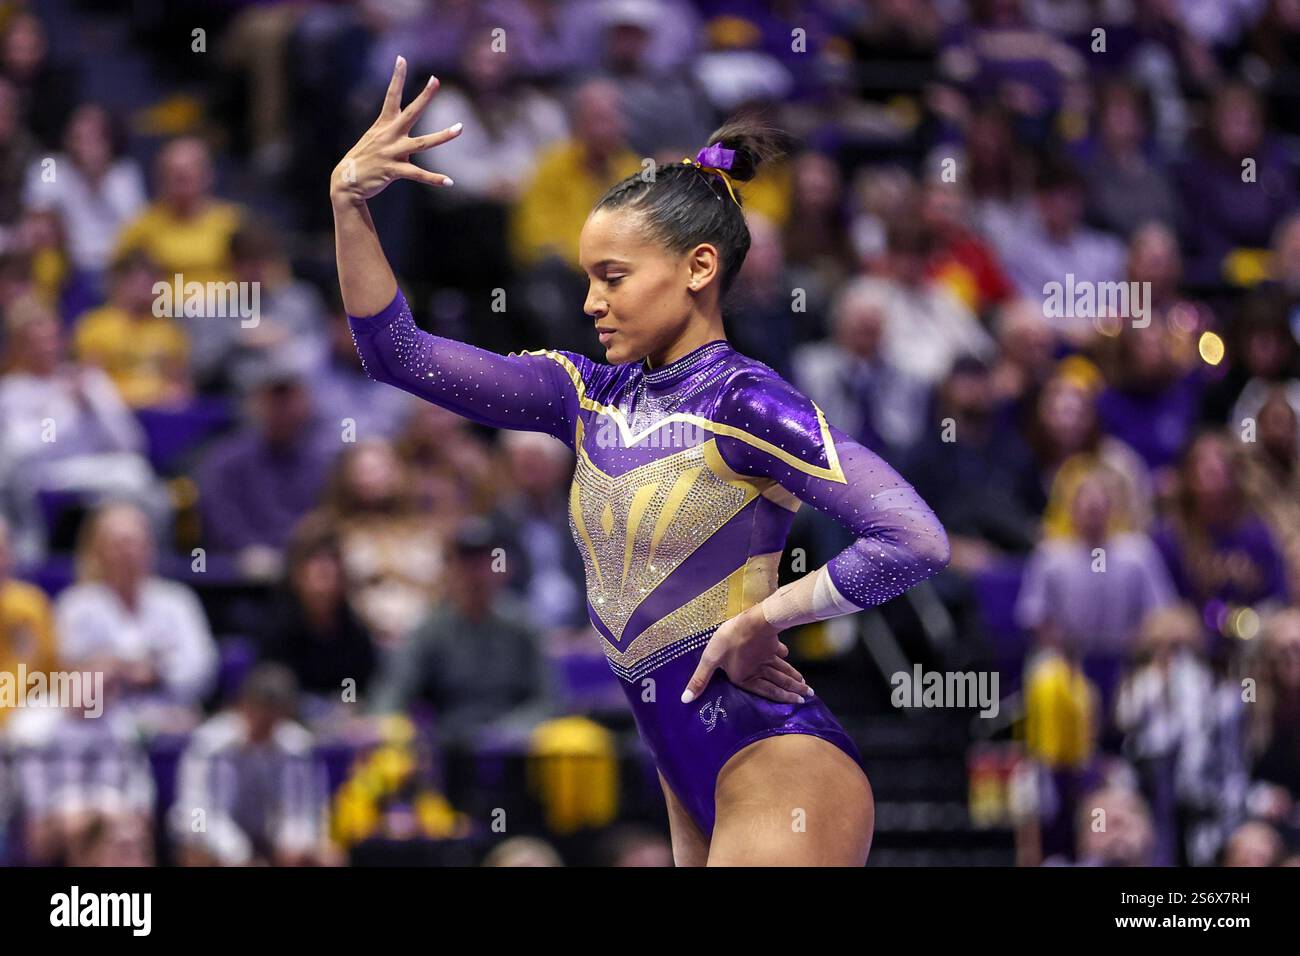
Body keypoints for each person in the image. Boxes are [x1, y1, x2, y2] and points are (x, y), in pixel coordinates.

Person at [331, 58, 950, 866]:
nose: (591, 302)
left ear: (698, 268)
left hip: (781, 767)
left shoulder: (747, 403)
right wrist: (347, 202)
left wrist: (767, 617)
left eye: (613, 277)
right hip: (684, 775)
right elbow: (399, 355)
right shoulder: (581, 396)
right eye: (590, 278)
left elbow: (913, 539)